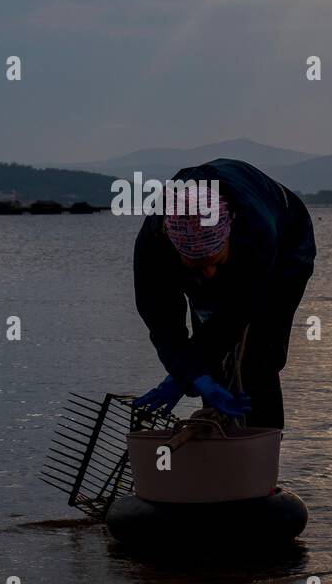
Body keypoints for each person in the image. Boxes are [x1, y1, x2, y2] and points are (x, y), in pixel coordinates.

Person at [132, 159, 315, 430]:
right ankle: (219, 438)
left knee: (258, 356)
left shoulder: (255, 230)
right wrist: (184, 372)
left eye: (215, 262)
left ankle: (260, 445)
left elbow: (238, 311)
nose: (209, 274)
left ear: (229, 232)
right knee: (208, 364)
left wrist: (184, 375)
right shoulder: (153, 245)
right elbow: (161, 318)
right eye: (197, 266)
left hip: (287, 245)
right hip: (222, 252)